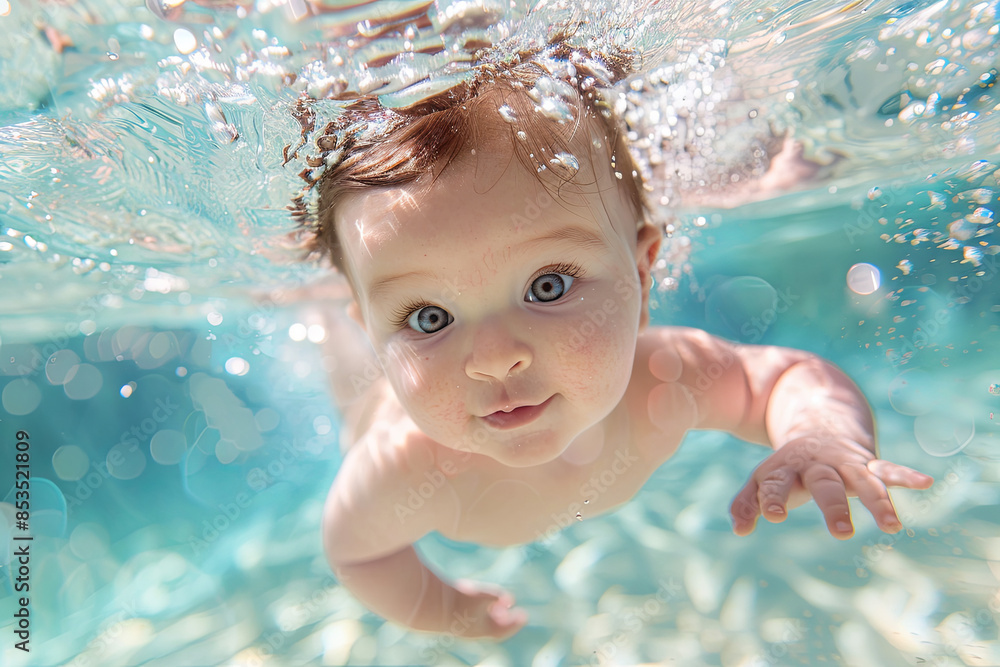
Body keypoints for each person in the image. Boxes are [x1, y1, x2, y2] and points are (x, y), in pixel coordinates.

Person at [286, 41, 934, 640]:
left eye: (547, 286)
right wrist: (444, 608)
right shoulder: (399, 467)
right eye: (428, 316)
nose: (493, 359)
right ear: (377, 332)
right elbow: (358, 551)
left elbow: (786, 379)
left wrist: (819, 432)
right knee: (343, 367)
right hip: (369, 404)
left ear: (643, 275)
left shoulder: (666, 379)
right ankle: (330, 318)